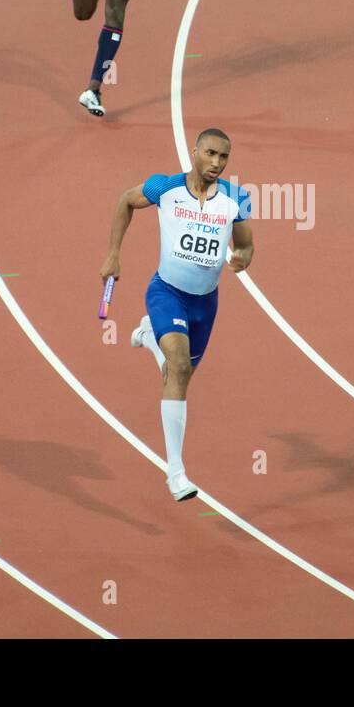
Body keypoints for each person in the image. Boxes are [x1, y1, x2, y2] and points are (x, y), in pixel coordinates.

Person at [100, 129, 254, 500]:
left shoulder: (236, 200)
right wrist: (113, 254)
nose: (217, 163)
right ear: (195, 151)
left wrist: (243, 259)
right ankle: (176, 472)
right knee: (179, 368)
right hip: (167, 293)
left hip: (206, 304)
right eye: (211, 153)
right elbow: (125, 201)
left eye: (224, 158)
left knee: (177, 376)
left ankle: (150, 337)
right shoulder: (165, 188)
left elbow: (246, 244)